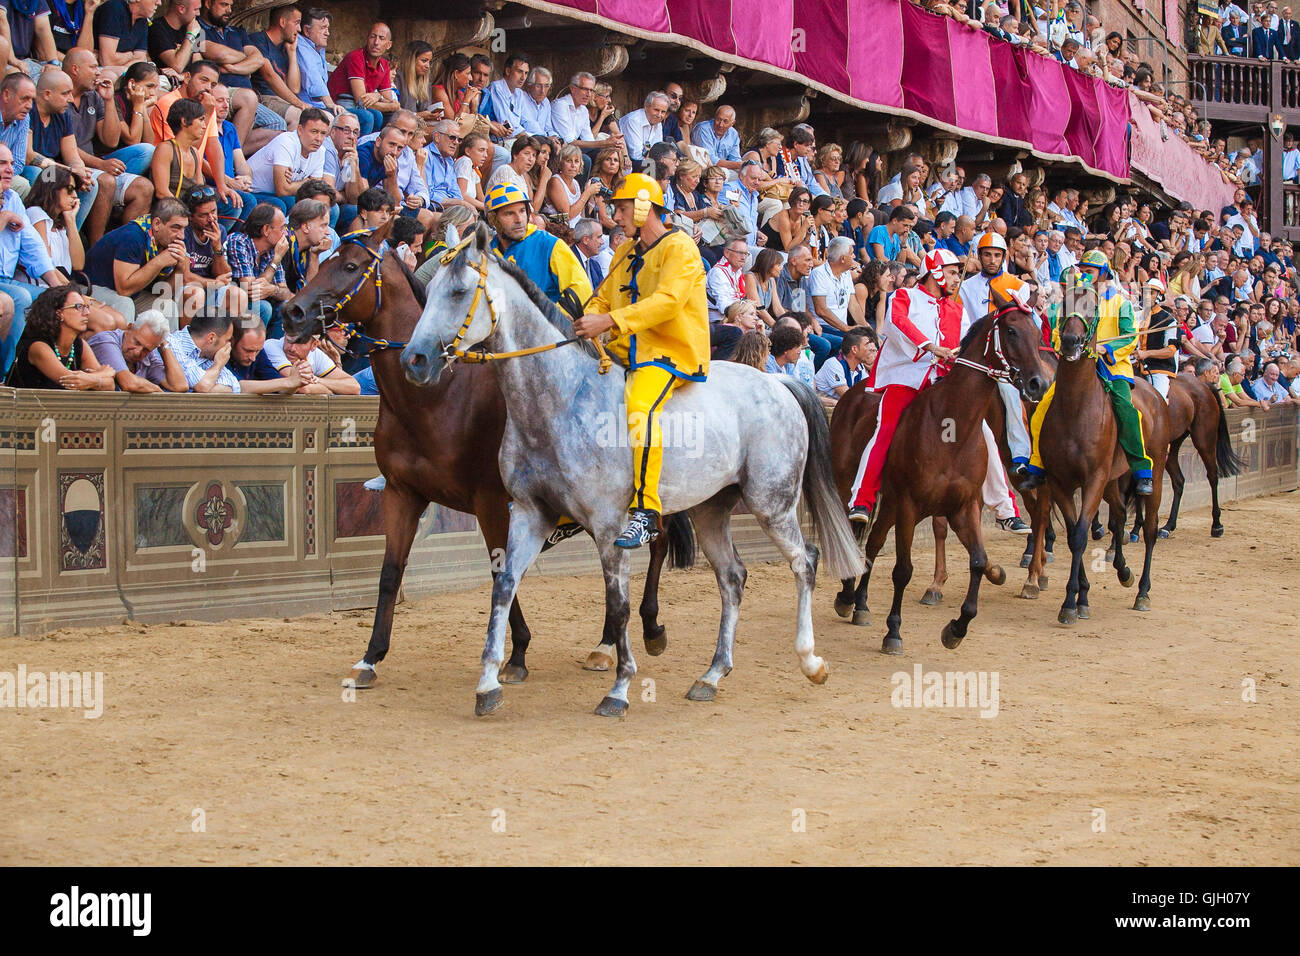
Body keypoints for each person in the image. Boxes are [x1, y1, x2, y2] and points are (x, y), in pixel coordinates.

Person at [573, 172, 709, 548]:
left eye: (621, 208)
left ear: (644, 207)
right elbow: (603, 297)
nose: (614, 215)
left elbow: (668, 302)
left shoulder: (680, 247)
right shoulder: (623, 251)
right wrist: (590, 315)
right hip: (622, 350)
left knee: (639, 406)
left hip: (668, 353)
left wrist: (610, 320)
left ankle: (647, 511)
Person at [1022, 251, 1156, 496]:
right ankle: (1037, 464)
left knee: (1126, 410)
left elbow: (1130, 339)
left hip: (1112, 368)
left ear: (1104, 274)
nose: (1085, 275)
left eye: (1090, 271)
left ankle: (1141, 470)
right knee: (1042, 408)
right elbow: (1056, 335)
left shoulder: (1120, 302)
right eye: (1082, 270)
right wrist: (1067, 345)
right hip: (1076, 369)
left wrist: (1106, 348)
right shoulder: (1073, 301)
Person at [847, 249, 965, 523]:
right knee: (885, 430)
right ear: (935, 272)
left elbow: (966, 342)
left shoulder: (957, 309)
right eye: (951, 272)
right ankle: (861, 499)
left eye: (958, 273)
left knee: (969, 430)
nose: (957, 278)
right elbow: (897, 323)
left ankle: (1005, 506)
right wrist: (931, 346)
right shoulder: (905, 296)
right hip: (906, 377)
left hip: (942, 381)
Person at [958, 230, 1036, 468]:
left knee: (1012, 396)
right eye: (987, 255)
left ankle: (1021, 455)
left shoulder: (1018, 286)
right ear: (979, 256)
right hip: (971, 354)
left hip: (1004, 357)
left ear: (1004, 257)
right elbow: (961, 321)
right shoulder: (965, 286)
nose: (992, 260)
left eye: (996, 255)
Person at [62, 47, 154, 224]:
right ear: (75, 69)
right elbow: (68, 148)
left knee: (146, 171)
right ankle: (91, 242)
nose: (97, 73)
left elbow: (111, 141)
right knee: (105, 181)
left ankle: (122, 241)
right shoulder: (60, 98)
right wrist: (102, 165)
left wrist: (108, 99)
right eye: (93, 67)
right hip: (69, 163)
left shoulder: (93, 96)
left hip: (96, 161)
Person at [0, 142, 68, 371]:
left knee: (63, 301)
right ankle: (5, 373)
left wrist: (56, 285)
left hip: (5, 280)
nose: (10, 169)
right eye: (2, 163)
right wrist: (3, 218)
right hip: (6, 288)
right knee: (19, 298)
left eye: (11, 163)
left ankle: (44, 373)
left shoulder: (12, 199)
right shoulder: (8, 208)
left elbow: (33, 247)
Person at [85, 195, 195, 322]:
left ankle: (168, 343)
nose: (181, 236)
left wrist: (180, 269)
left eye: (184, 228)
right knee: (125, 303)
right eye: (175, 228)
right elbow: (124, 289)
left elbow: (163, 293)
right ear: (157, 224)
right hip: (91, 288)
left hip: (133, 293)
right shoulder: (133, 237)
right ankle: (123, 342)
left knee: (167, 306)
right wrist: (159, 261)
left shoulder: (172, 239)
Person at [485, 181, 590, 307]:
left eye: (522, 211)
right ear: (493, 219)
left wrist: (557, 318)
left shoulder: (549, 244)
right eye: (509, 213)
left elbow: (581, 288)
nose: (519, 219)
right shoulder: (486, 254)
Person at [5, 285, 114, 389]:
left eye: (86, 307)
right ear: (59, 314)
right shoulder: (38, 346)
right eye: (78, 307)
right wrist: (104, 374)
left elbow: (110, 385)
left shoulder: (79, 344)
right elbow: (71, 382)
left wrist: (92, 379)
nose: (87, 313)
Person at [246, 106, 331, 214]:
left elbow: (315, 189)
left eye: (323, 133)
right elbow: (282, 190)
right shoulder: (286, 142)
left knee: (327, 208)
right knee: (285, 204)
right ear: (300, 130)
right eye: (314, 131)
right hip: (254, 191)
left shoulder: (320, 151)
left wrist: (296, 184)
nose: (319, 139)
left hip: (277, 195)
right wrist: (306, 182)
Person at [224, 201, 290, 335]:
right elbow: (251, 290)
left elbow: (286, 293)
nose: (286, 233)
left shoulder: (272, 250)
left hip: (251, 302)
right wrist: (276, 260)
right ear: (266, 230)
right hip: (232, 303)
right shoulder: (239, 241)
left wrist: (273, 290)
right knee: (263, 307)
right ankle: (249, 350)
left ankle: (270, 350)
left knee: (287, 306)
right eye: (282, 228)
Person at [88, 308, 187, 391]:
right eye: (136, 342)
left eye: (146, 349)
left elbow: (180, 385)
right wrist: (156, 389)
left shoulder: (149, 356)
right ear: (129, 328)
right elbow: (128, 383)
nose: (137, 352)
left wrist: (164, 346)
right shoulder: (106, 341)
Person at [327, 21, 398, 136]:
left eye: (381, 38)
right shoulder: (356, 57)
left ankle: (371, 148)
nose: (376, 42)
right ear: (367, 38)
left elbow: (389, 100)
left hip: (357, 106)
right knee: (368, 117)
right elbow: (361, 100)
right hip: (338, 105)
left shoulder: (384, 65)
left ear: (388, 44)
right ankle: (358, 150)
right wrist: (387, 102)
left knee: (383, 116)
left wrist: (378, 97)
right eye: (373, 37)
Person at [249, 3, 309, 129]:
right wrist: (299, 103)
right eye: (296, 23)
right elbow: (269, 76)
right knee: (298, 115)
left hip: (282, 100)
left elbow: (294, 89)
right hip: (264, 97)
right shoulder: (258, 40)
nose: (299, 29)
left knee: (324, 118)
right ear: (282, 22)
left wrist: (292, 54)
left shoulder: (285, 48)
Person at [166, 308, 239, 391]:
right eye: (227, 340)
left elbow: (234, 386)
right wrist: (218, 366)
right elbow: (203, 385)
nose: (228, 345)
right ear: (211, 338)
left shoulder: (209, 355)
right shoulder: (172, 344)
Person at [1138, 281, 1179, 401]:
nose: (1147, 296)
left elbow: (1171, 350)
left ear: (1159, 296)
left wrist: (1147, 353)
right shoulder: (1135, 315)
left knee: (1157, 400)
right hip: (1133, 363)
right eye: (1145, 292)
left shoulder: (1168, 320)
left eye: (1151, 293)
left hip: (1157, 368)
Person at [813, 326, 873, 400]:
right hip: (822, 406)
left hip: (840, 405)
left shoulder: (860, 367)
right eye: (867, 345)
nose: (870, 349)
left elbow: (868, 390)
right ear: (854, 349)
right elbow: (848, 397)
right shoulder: (834, 364)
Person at [394, 40, 440, 124]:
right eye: (424, 61)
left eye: (429, 62)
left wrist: (431, 116)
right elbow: (395, 115)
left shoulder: (425, 83)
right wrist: (419, 115)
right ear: (411, 60)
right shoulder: (397, 78)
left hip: (419, 126)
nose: (427, 66)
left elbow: (425, 111)